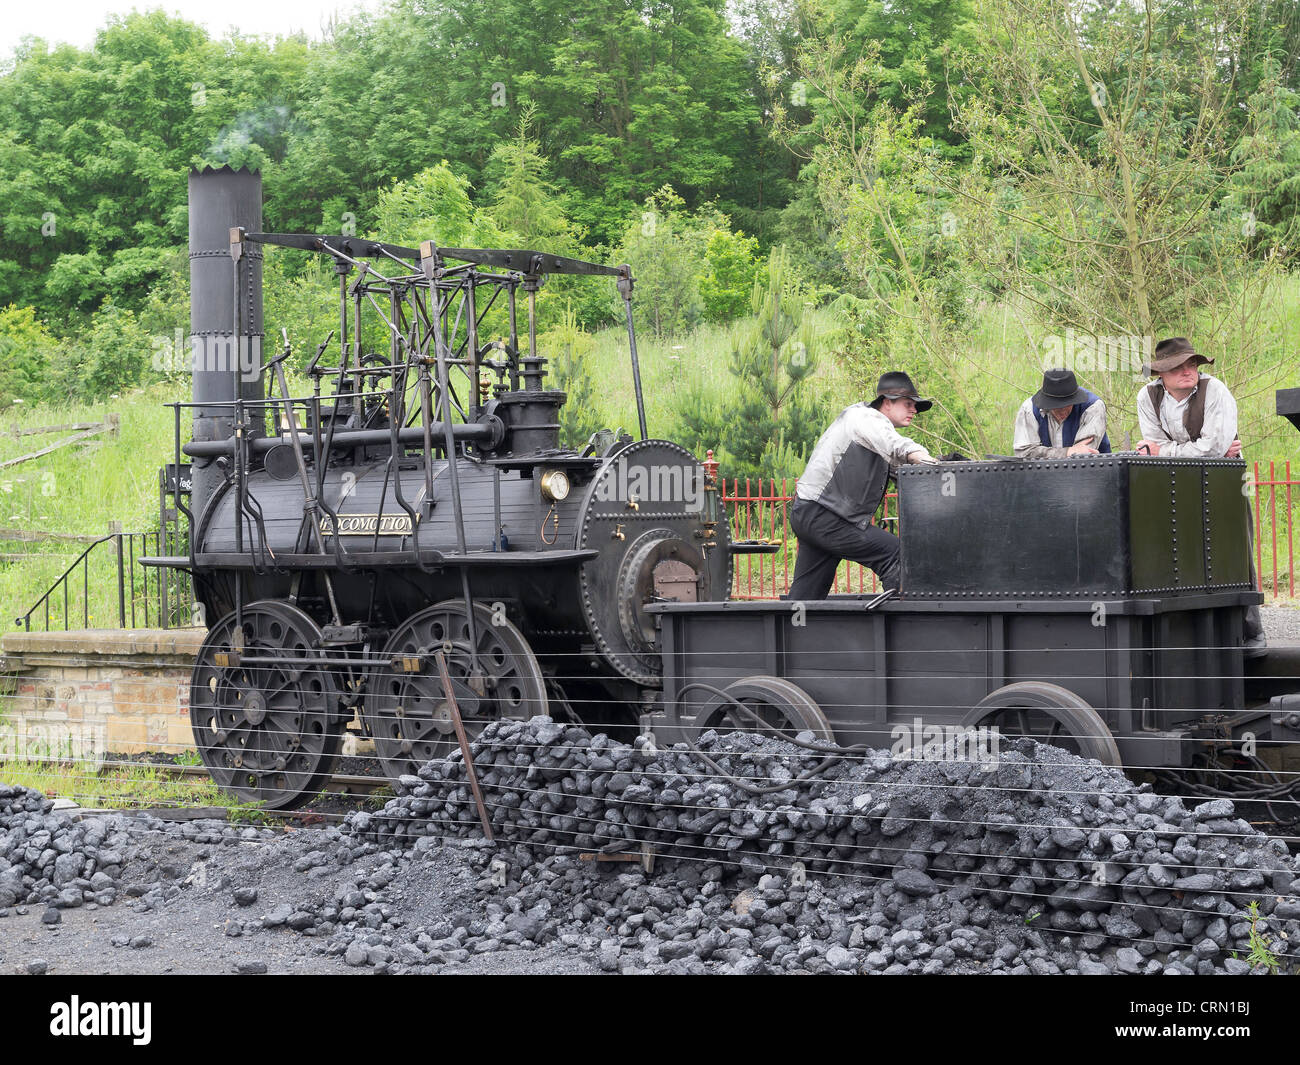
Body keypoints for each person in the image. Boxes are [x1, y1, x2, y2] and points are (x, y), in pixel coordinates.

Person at [1135, 336, 1263, 653]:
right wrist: (1184, 453)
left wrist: (1165, 452)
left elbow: (1214, 448)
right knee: (1180, 556)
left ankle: (1251, 631)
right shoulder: (1146, 397)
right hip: (1173, 482)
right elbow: (1151, 445)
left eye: (1191, 363)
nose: (1187, 370)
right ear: (1161, 373)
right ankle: (1190, 635)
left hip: (1224, 478)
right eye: (1177, 366)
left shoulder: (1215, 390)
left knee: (1236, 553)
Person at [786, 372, 936, 601]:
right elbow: (899, 447)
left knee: (806, 598)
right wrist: (930, 461)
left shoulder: (867, 428)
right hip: (825, 515)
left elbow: (901, 470)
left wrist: (939, 465)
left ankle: (792, 631)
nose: (914, 410)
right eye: (908, 404)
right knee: (897, 555)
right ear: (887, 402)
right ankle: (907, 627)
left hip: (812, 514)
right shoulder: (866, 418)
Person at [1012, 367, 1111, 459]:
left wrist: (1042, 452)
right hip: (1042, 476)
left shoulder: (1093, 407)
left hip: (1093, 475)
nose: (1062, 411)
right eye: (1057, 407)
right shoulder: (1029, 409)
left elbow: (1083, 455)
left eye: (1067, 405)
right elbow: (1023, 454)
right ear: (1047, 403)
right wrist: (1066, 452)